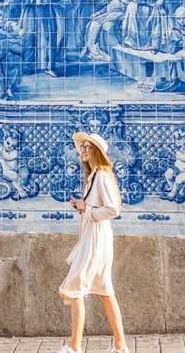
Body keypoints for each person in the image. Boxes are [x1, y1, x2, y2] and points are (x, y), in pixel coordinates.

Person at [58, 133, 129, 353]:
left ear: (97, 151)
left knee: (75, 288)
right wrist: (82, 206)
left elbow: (113, 209)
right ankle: (120, 347)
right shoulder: (94, 176)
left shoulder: (102, 176)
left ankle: (74, 346)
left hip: (96, 239)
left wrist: (85, 209)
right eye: (82, 147)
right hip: (94, 236)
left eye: (88, 147)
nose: (83, 151)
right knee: (105, 291)